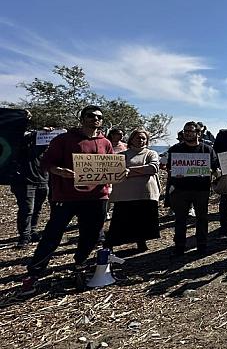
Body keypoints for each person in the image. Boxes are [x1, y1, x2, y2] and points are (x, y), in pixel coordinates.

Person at [20, 105, 114, 296]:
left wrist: (117, 176)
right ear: (82, 118)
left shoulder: (105, 142)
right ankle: (34, 274)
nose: (95, 119)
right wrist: (60, 171)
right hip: (66, 197)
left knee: (91, 235)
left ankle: (80, 264)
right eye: (91, 116)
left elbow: (111, 167)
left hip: (97, 197)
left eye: (99, 117)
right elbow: (46, 163)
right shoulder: (63, 139)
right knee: (52, 235)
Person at [166, 121, 219, 257]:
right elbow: (168, 167)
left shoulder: (207, 149)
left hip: (201, 189)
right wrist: (172, 172)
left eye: (191, 131)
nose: (188, 133)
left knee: (202, 218)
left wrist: (213, 171)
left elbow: (215, 168)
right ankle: (179, 246)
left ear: (198, 133)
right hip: (180, 189)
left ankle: (202, 245)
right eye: (186, 131)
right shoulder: (175, 149)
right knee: (180, 219)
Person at [104, 129, 160, 253]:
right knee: (120, 221)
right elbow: (116, 171)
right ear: (131, 139)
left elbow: (153, 168)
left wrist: (129, 171)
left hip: (145, 193)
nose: (140, 140)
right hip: (124, 194)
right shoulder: (121, 155)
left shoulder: (151, 153)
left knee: (142, 220)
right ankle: (109, 246)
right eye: (138, 138)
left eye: (143, 138)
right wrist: (140, 171)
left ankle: (141, 242)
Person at [10, 115, 50, 249]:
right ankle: (24, 237)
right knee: (27, 210)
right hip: (24, 181)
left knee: (37, 209)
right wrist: (37, 133)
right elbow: (23, 139)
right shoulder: (19, 140)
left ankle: (32, 231)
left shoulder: (45, 143)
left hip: (43, 180)